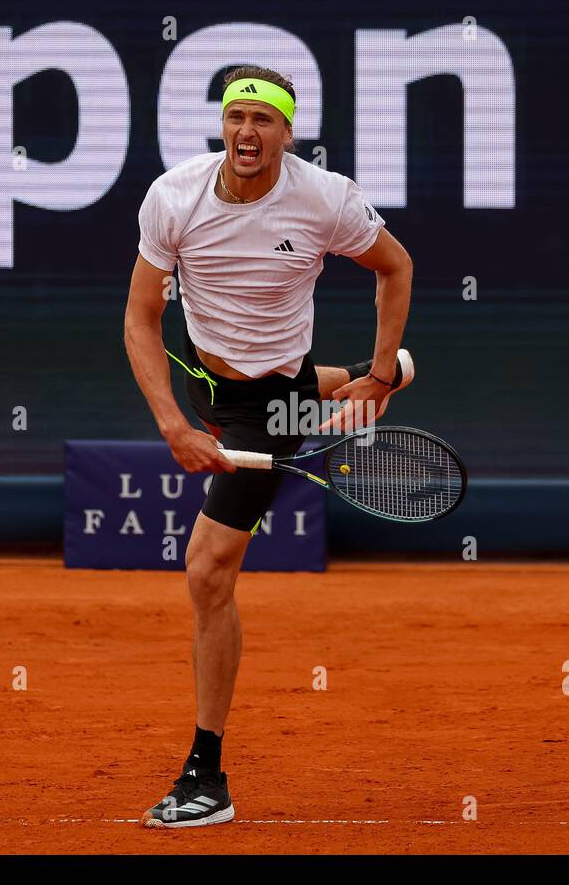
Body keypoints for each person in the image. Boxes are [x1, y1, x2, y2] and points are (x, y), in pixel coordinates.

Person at [123, 64, 415, 827]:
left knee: (207, 572)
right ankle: (356, 378)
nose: (247, 132)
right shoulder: (174, 197)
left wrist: (382, 372)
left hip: (272, 406)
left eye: (264, 120)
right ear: (223, 125)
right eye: (236, 117)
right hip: (201, 377)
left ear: (288, 133)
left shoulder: (325, 199)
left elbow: (395, 266)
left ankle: (206, 776)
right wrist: (173, 427)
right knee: (250, 388)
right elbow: (141, 320)